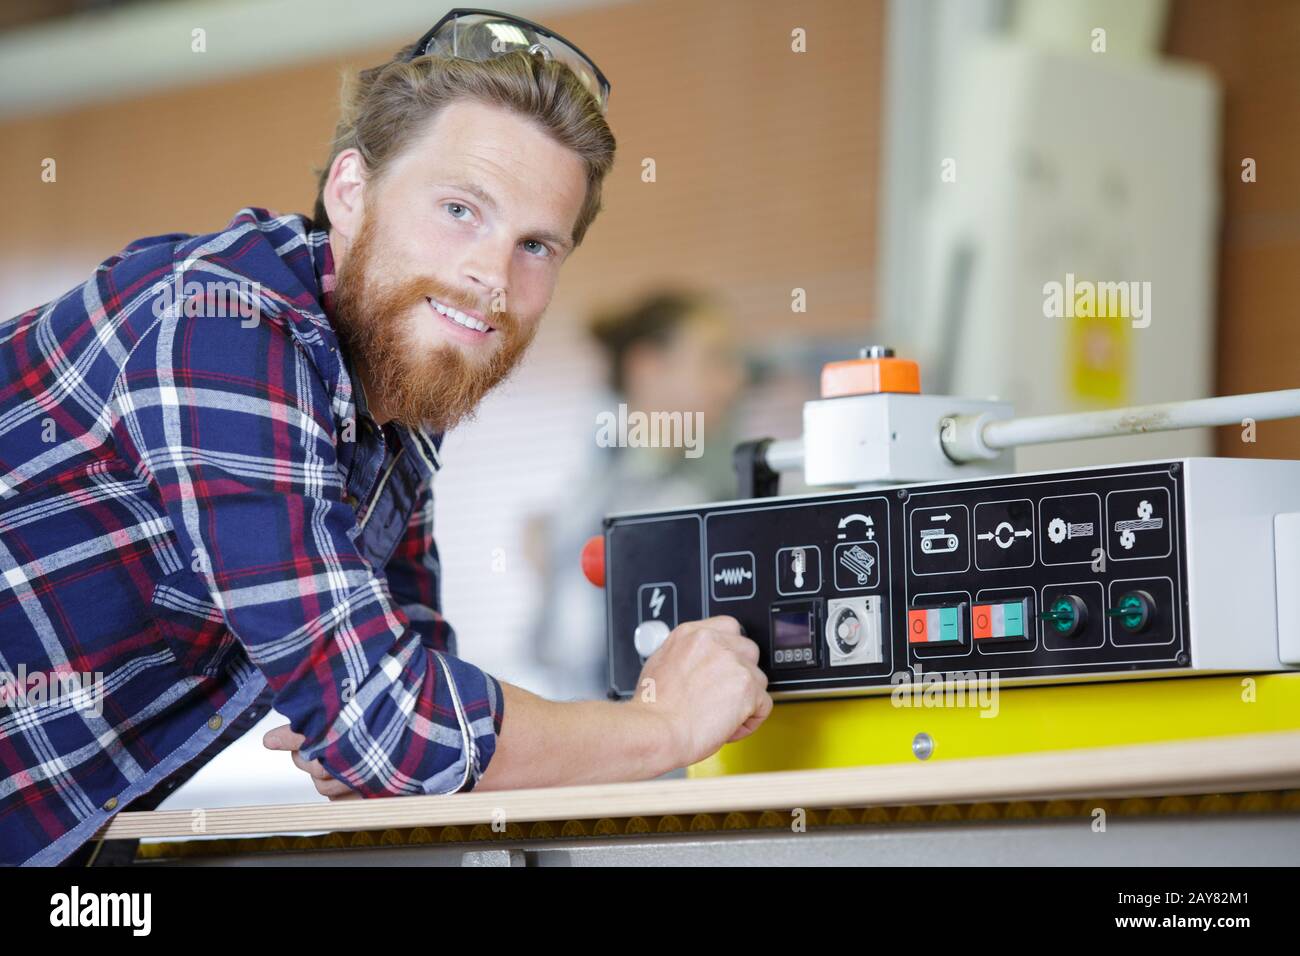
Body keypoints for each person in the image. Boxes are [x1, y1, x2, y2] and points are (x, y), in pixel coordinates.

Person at [0, 9, 770, 866]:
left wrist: (399, 728)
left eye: (537, 245)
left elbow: (408, 691)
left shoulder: (393, 413)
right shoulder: (219, 327)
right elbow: (385, 725)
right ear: (350, 192)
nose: (492, 278)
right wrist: (661, 725)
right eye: (458, 208)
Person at [527, 290, 746, 698]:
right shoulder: (603, 503)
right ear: (648, 366)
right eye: (714, 359)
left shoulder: (695, 488)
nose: (733, 381)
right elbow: (570, 652)